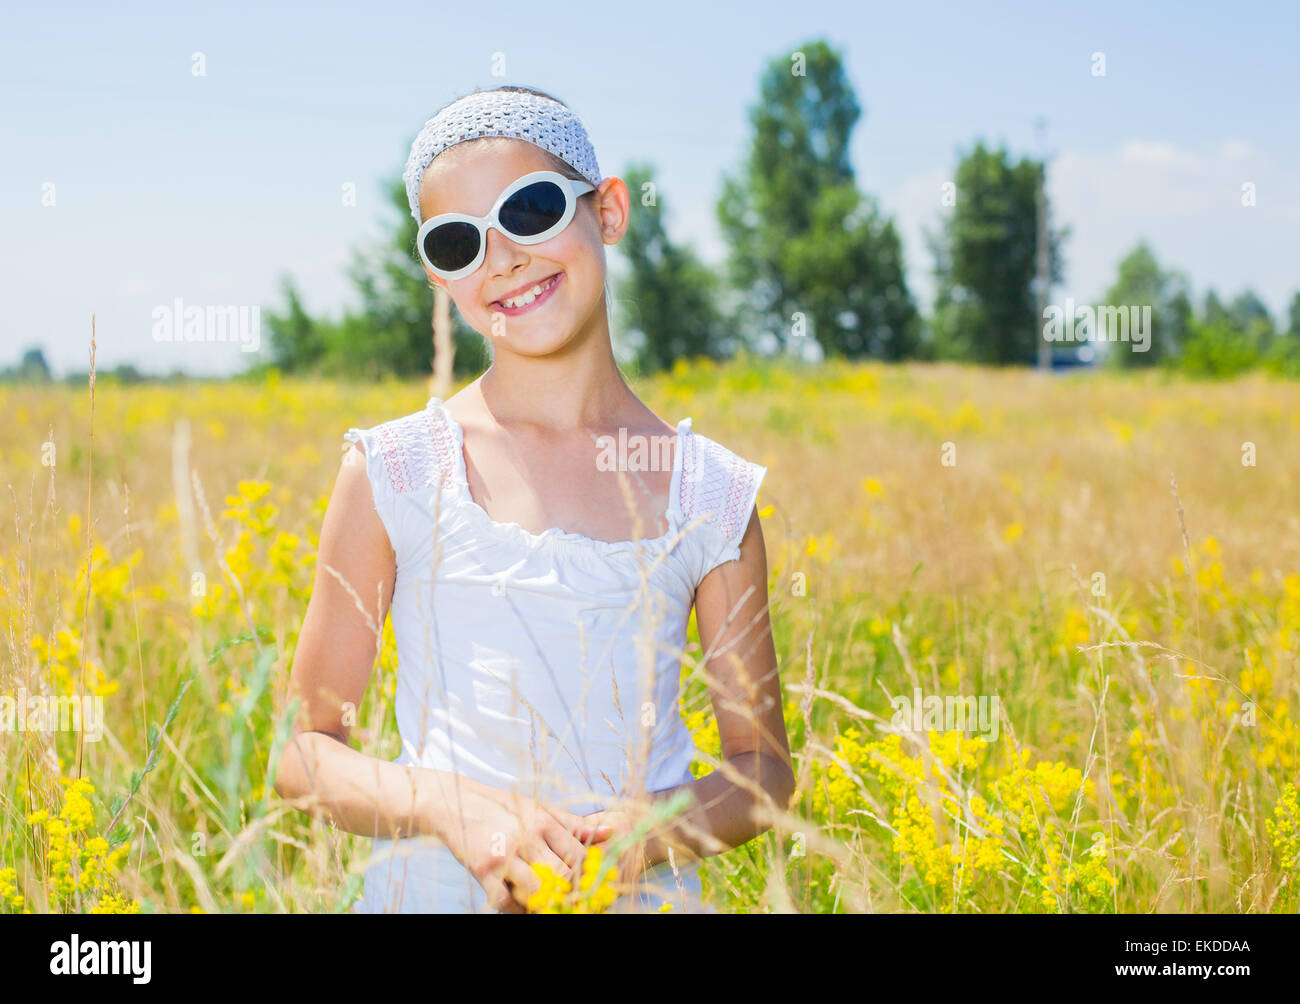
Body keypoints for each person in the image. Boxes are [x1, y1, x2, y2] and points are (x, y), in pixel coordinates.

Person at [272, 85, 795, 914]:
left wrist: (625, 847)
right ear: (441, 278)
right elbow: (302, 752)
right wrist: (451, 807)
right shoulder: (396, 471)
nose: (504, 258)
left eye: (532, 208)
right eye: (458, 242)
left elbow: (762, 771)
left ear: (610, 210)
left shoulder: (713, 493)